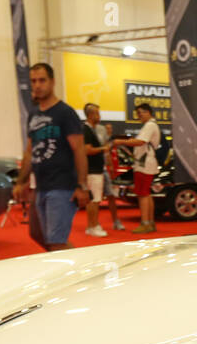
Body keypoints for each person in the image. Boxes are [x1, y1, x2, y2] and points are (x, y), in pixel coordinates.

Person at [12, 61, 89, 251]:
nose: (37, 85)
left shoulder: (65, 113)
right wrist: (21, 181)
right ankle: (72, 266)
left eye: (42, 80)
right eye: (33, 81)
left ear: (52, 82)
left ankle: (79, 272)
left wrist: (82, 185)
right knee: (38, 234)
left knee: (56, 240)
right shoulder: (33, 115)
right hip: (41, 186)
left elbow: (79, 149)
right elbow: (30, 151)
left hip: (62, 186)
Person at [113, 103, 160, 234]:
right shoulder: (150, 125)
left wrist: (121, 142)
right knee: (146, 193)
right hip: (145, 163)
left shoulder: (150, 125)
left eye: (141, 112)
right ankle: (150, 223)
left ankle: (145, 223)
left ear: (148, 112)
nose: (139, 116)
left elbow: (141, 142)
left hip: (144, 164)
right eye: (138, 113)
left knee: (143, 194)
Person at [81, 102, 123, 236]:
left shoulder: (91, 129)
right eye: (97, 113)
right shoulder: (86, 129)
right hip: (93, 170)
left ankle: (92, 225)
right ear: (91, 115)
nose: (99, 116)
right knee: (95, 199)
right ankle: (93, 226)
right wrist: (103, 149)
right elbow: (87, 150)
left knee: (94, 199)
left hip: (94, 169)